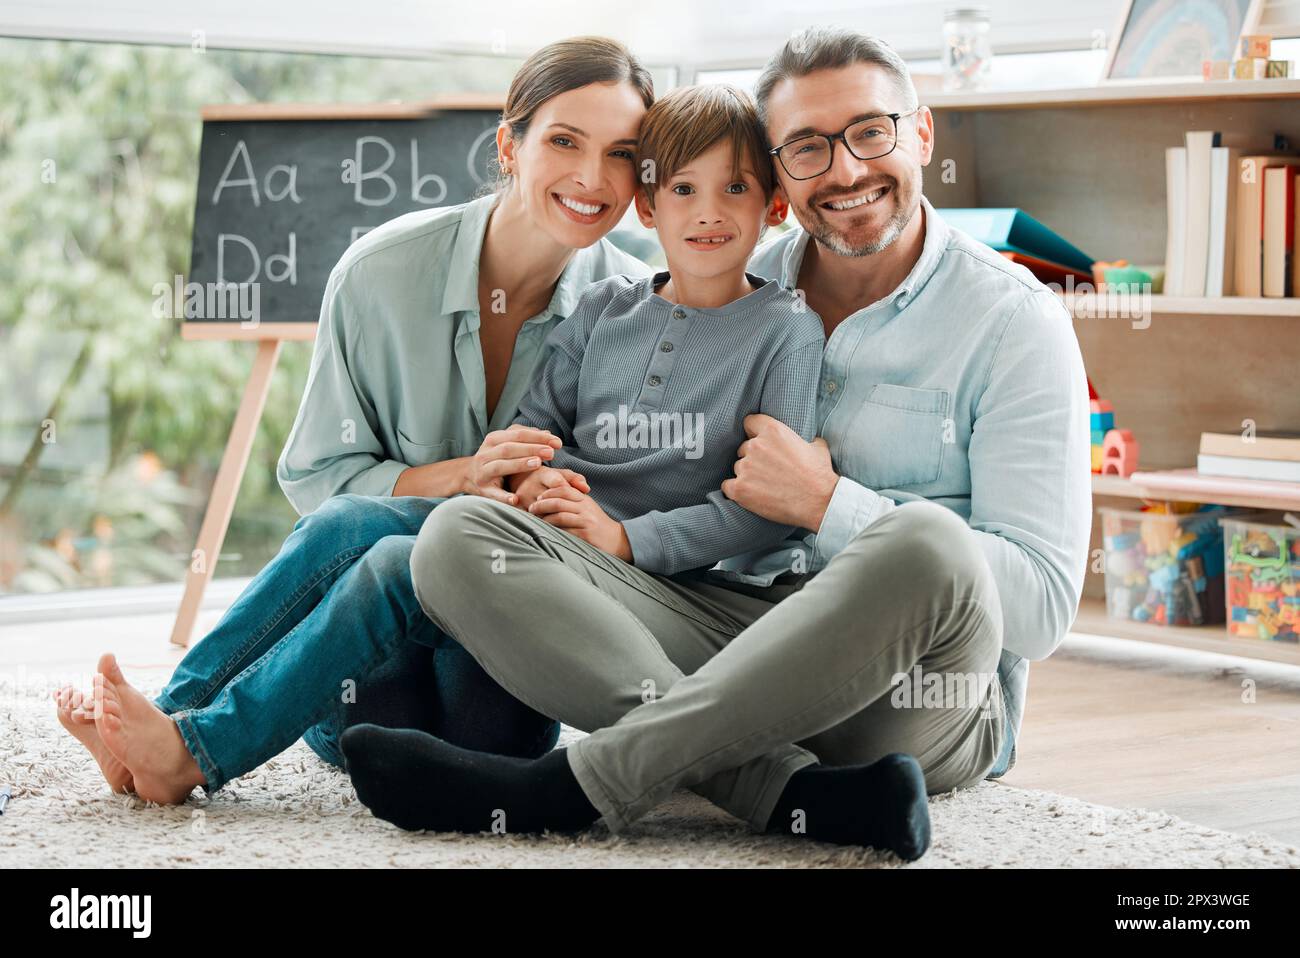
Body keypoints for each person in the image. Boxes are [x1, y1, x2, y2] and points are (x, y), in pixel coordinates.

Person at [342, 27, 1091, 861]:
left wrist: (828, 505)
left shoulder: (1014, 320)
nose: (845, 170)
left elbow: (1042, 609)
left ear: (919, 133)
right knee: (458, 538)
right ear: (780, 179)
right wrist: (558, 497)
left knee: (925, 541)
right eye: (807, 147)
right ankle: (789, 792)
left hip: (909, 695)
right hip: (733, 637)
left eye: (870, 132)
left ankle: (566, 786)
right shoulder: (731, 268)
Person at [53, 35, 656, 805]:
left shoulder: (642, 313)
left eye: (621, 155)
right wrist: (461, 480)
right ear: (510, 145)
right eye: (566, 141)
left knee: (403, 561)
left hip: (502, 687)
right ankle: (166, 730)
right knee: (357, 537)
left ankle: (173, 737)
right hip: (363, 684)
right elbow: (319, 480)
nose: (593, 178)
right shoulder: (380, 275)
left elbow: (631, 523)